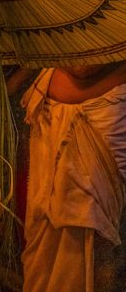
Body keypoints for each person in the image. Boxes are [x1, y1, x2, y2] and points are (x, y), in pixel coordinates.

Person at [21, 63, 126, 291]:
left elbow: (85, 68)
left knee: (91, 243)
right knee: (44, 252)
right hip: (51, 118)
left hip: (100, 126)